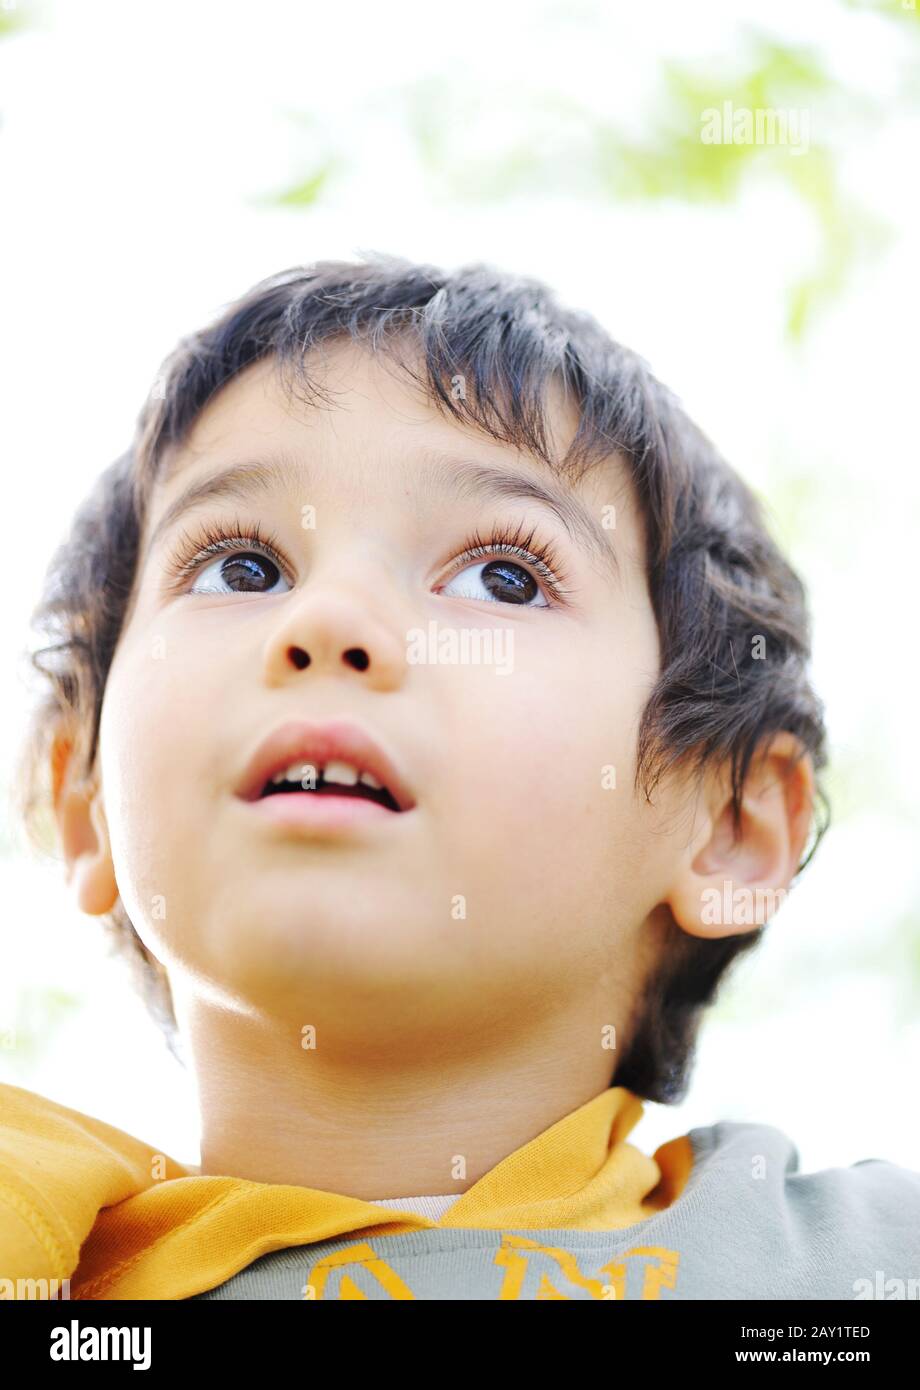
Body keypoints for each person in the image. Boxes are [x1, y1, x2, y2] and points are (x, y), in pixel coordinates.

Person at [3, 254, 917, 1301]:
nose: (330, 621)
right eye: (241, 567)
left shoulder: (858, 1267)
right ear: (83, 801)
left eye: (501, 576)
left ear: (725, 823)